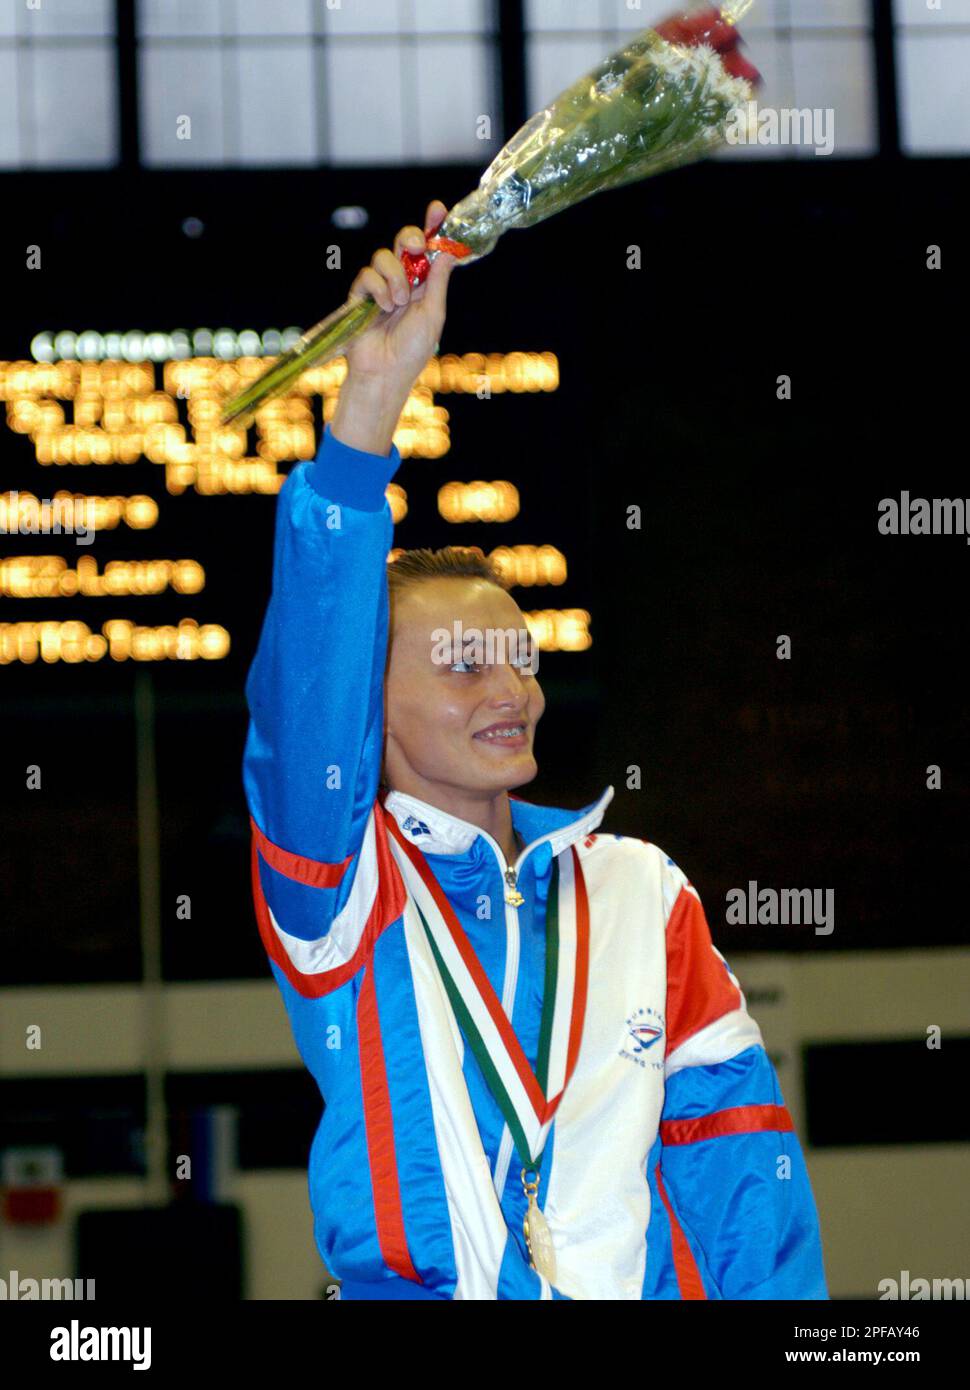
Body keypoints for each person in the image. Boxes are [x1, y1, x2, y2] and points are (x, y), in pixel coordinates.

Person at [242, 199, 828, 1301]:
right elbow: (300, 704)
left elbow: (738, 1176)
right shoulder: (341, 897)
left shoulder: (643, 891)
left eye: (519, 657)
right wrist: (371, 405)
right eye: (464, 662)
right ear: (369, 701)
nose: (511, 688)